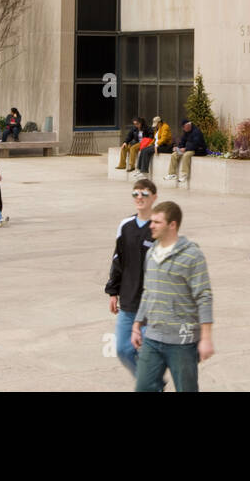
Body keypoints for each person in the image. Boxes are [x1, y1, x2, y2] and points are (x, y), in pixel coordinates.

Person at [131, 201, 214, 392]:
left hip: (182, 342)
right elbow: (148, 291)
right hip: (152, 337)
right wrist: (137, 324)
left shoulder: (193, 255)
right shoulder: (151, 253)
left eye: (157, 222)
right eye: (151, 221)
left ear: (172, 225)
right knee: (143, 387)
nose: (151, 225)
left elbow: (204, 296)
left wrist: (206, 338)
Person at [105, 178, 157, 380]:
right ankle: (151, 382)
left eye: (144, 194)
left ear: (154, 197)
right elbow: (118, 259)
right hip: (128, 301)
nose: (139, 198)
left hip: (151, 304)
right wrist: (113, 292)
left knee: (146, 353)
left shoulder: (159, 227)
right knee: (123, 350)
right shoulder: (125, 225)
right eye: (136, 194)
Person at [166, 119, 205, 188]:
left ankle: (184, 175)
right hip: (187, 149)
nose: (183, 129)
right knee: (174, 154)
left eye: (184, 127)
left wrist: (185, 149)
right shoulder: (186, 131)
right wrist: (178, 148)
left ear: (188, 125)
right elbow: (182, 141)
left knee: (186, 155)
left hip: (198, 150)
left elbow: (196, 144)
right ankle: (172, 173)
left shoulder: (196, 132)